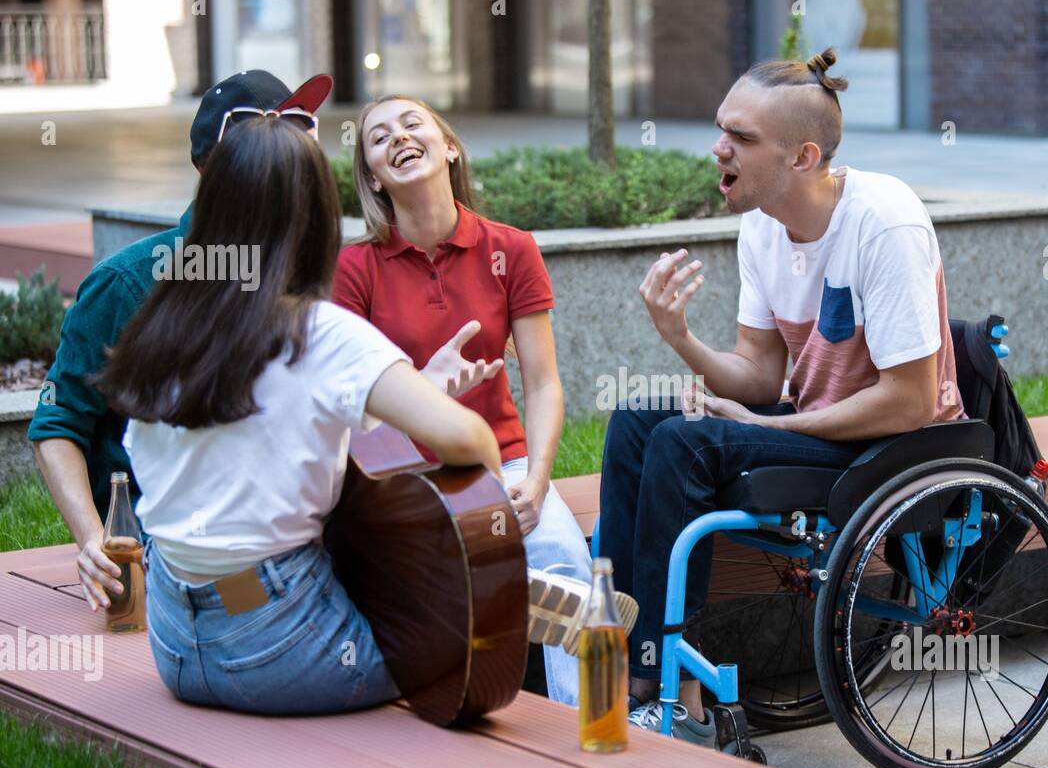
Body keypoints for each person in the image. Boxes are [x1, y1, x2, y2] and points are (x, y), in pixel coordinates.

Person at [601, 48, 966, 744]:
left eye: (740, 138)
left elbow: (911, 402)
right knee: (642, 419)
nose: (718, 149)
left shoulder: (883, 222)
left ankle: (662, 688)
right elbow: (760, 378)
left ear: (801, 157)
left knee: (687, 440)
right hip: (822, 427)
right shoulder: (763, 226)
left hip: (892, 447)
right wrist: (680, 339)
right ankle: (634, 662)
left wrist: (779, 427)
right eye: (721, 130)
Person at [96, 114, 503, 714]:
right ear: (313, 219)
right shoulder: (320, 333)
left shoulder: (162, 324)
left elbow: (265, 435)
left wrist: (409, 393)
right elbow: (470, 439)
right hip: (279, 648)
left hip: (176, 637)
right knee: (465, 645)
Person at [333, 95, 635, 707]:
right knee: (426, 581)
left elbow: (545, 383)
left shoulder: (511, 249)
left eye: (412, 123)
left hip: (504, 466)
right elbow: (346, 408)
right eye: (378, 137)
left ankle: (586, 733)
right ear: (372, 177)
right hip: (399, 474)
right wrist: (422, 387)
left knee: (566, 562)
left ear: (449, 147)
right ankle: (492, 585)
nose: (398, 137)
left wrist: (541, 479)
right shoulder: (354, 267)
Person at [29, 69, 332, 613]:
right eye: (267, 139)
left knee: (431, 586)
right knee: (257, 613)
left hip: (290, 536)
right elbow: (56, 424)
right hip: (183, 562)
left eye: (297, 133)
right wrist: (94, 540)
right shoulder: (129, 282)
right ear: (213, 168)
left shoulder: (308, 276)